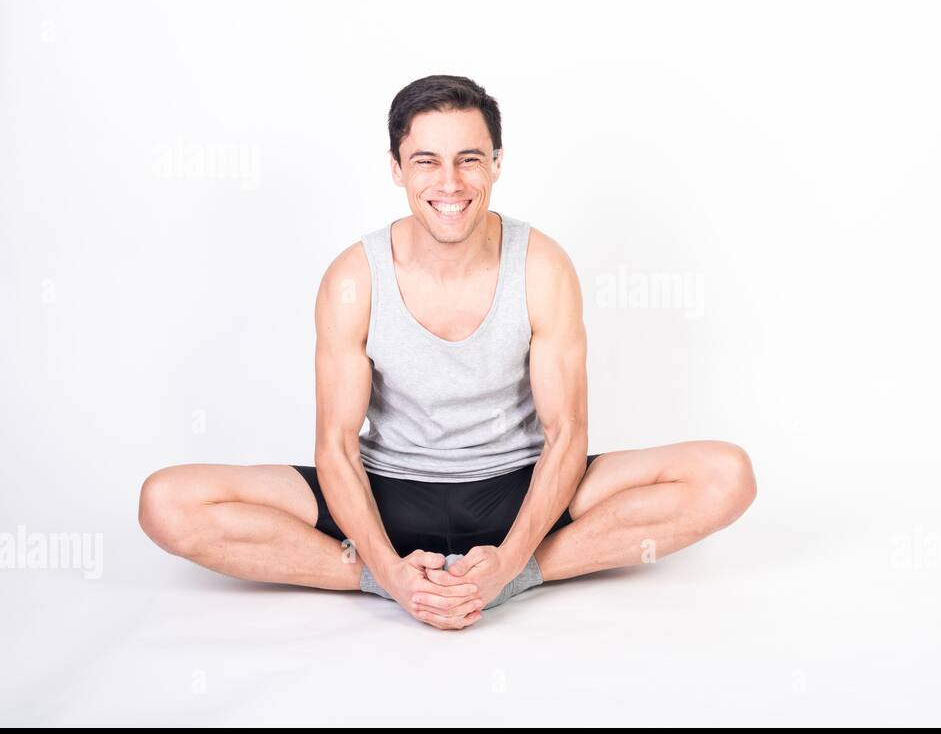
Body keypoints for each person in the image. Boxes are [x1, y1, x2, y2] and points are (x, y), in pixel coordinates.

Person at [138, 75, 757, 630]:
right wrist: (385, 567)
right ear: (396, 168)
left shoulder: (541, 265)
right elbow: (334, 445)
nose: (450, 182)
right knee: (165, 502)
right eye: (426, 160)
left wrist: (511, 560)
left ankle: (522, 576)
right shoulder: (354, 277)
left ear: (497, 163)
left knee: (726, 475)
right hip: (387, 492)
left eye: (469, 159)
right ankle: (383, 581)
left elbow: (566, 433)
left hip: (520, 489)